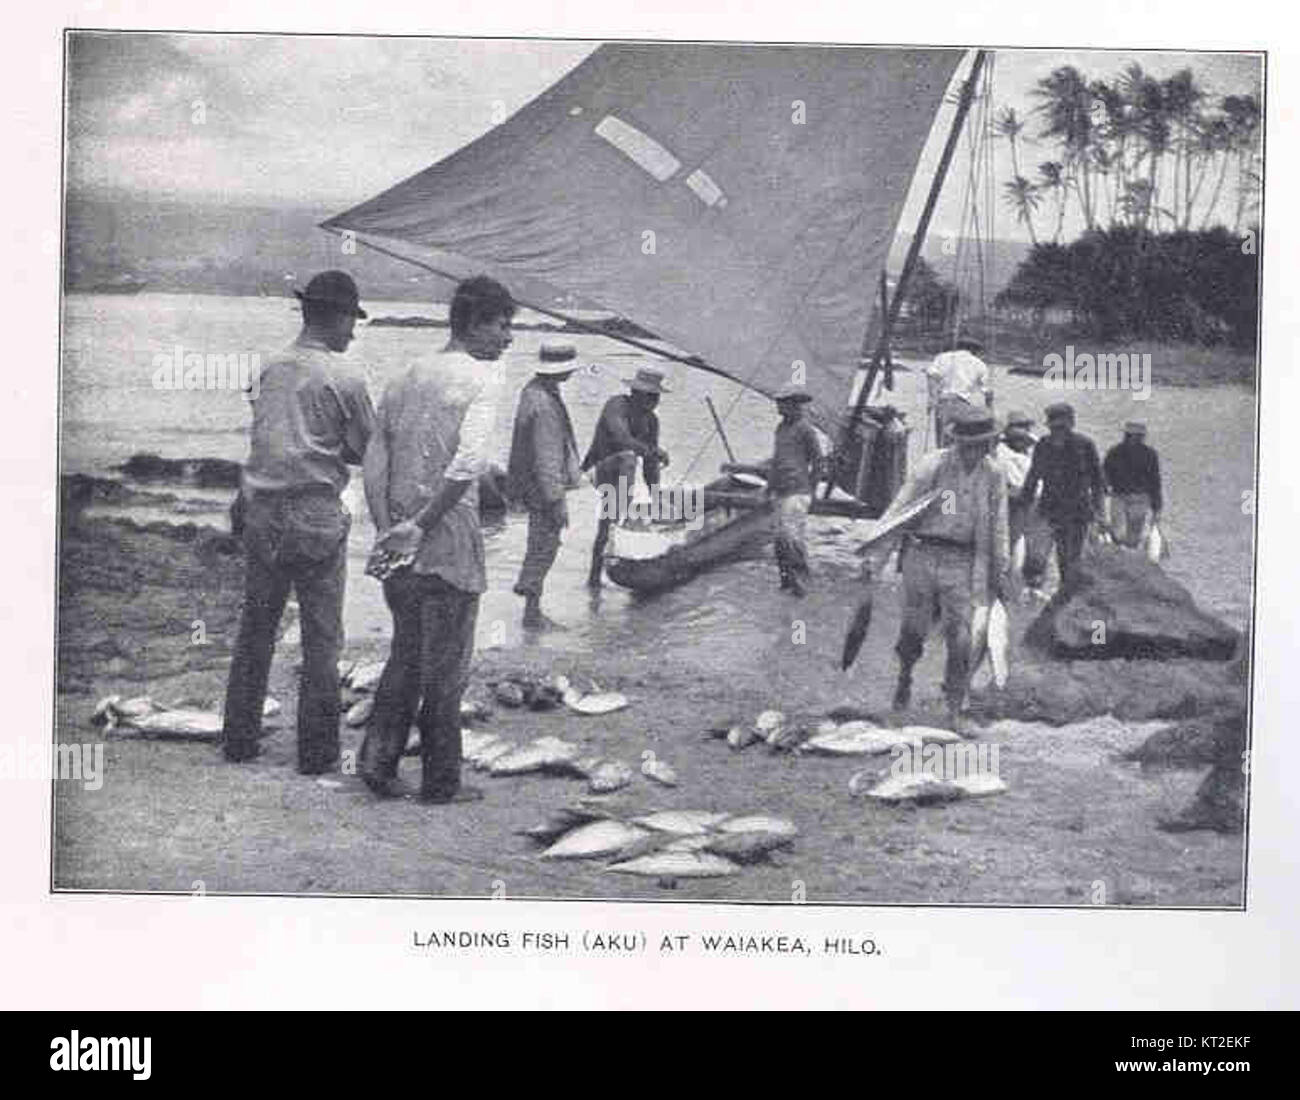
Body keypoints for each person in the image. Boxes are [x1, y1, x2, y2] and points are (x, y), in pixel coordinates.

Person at [359, 275, 515, 804]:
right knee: (446, 668)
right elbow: (468, 463)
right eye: (501, 325)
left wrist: (389, 527)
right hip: (445, 538)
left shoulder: (405, 374)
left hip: (399, 538)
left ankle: (377, 764)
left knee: (404, 654)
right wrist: (421, 525)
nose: (508, 337)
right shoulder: (482, 378)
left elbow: (375, 456)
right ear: (473, 324)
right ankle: (441, 782)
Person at [220, 270, 375, 772]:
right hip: (314, 512)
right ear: (334, 317)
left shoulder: (267, 368)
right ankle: (316, 754)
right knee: (322, 637)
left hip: (260, 509)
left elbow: (264, 438)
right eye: (353, 319)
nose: (354, 331)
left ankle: (239, 742)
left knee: (256, 630)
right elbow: (366, 449)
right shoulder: (345, 376)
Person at [881, 407, 1011, 734]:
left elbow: (1000, 527)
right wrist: (877, 555)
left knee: (962, 637)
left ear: (988, 443)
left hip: (964, 560)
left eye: (980, 444)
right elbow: (899, 509)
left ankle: (955, 706)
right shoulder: (933, 465)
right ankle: (904, 680)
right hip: (922, 553)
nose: (973, 451)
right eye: (967, 444)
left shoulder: (994, 474)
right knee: (913, 630)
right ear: (957, 442)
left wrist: (1001, 571)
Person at [506, 341, 583, 629]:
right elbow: (547, 456)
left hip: (529, 485)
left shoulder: (533, 391)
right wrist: (557, 500)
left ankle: (530, 602)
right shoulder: (545, 405)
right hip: (541, 488)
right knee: (545, 545)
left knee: (539, 544)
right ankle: (532, 611)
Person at [723, 389, 826, 596]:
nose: (778, 406)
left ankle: (802, 586)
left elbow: (818, 462)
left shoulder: (805, 429)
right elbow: (777, 461)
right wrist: (769, 489)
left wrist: (812, 491)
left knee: (792, 538)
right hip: (781, 490)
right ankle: (787, 583)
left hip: (797, 491)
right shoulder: (781, 428)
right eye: (778, 403)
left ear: (795, 406)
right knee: (780, 540)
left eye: (783, 403)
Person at [581, 367, 671, 587]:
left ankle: (594, 580)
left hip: (620, 481)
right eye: (648, 396)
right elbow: (621, 438)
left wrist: (657, 496)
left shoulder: (652, 421)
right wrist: (654, 451)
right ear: (635, 393)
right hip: (597, 470)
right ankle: (623, 516)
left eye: (656, 397)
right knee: (628, 457)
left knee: (606, 524)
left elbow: (650, 466)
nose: (653, 401)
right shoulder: (617, 405)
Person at [1017, 402, 1105, 589]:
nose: (1058, 432)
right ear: (1049, 427)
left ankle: (1065, 594)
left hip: (1077, 512)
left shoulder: (1085, 446)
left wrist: (1100, 514)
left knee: (1069, 559)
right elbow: (1033, 477)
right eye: (1055, 428)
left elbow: (1098, 482)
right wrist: (1023, 507)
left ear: (1071, 424)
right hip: (1050, 509)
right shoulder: (1043, 445)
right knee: (1036, 559)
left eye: (1062, 428)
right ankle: (1034, 594)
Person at [994, 409, 1046, 591]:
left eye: (1025, 431)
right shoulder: (1002, 455)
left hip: (1032, 509)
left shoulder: (1030, 453)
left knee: (1033, 551)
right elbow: (1013, 488)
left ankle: (1028, 587)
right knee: (1010, 552)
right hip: (1013, 510)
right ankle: (1005, 588)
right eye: (1018, 433)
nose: (1022, 439)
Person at [1103, 420, 1163, 549]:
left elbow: (1155, 481)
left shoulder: (1150, 455)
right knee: (1117, 533)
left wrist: (1157, 506)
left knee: (1134, 536)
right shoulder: (1114, 452)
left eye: (1137, 436)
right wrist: (1103, 490)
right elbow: (1105, 474)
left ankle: (1128, 558)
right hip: (1119, 496)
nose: (1133, 438)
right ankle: (1120, 553)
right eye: (1130, 435)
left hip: (1140, 498)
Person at [925, 337, 992, 446]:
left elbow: (931, 376)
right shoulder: (980, 364)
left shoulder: (942, 357)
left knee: (942, 441)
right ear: (974, 350)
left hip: (943, 402)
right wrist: (989, 411)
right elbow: (987, 392)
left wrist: (932, 398)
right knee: (958, 441)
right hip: (963, 405)